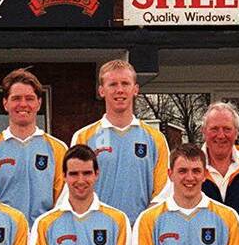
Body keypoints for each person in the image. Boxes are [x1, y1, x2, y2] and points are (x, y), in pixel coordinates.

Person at [68, 59, 170, 224]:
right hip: (97, 228)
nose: (120, 90)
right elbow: (74, 185)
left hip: (139, 228)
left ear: (135, 89)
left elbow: (163, 191)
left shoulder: (155, 138)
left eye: (125, 83)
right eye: (113, 84)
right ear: (102, 90)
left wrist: (143, 224)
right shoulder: (83, 137)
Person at [0, 68, 67, 221]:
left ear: (39, 103)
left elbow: (62, 200)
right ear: (5, 103)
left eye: (29, 98)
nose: (23, 104)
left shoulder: (58, 149)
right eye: (16, 98)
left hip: (43, 237)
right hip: (5, 236)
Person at [192, 101, 239, 217]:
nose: (221, 135)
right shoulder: (189, 167)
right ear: (203, 131)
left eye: (227, 129)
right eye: (214, 129)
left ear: (236, 133)